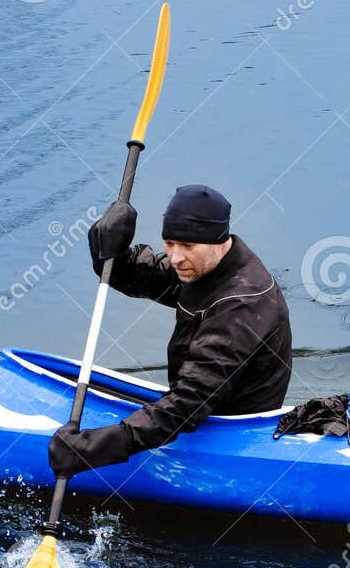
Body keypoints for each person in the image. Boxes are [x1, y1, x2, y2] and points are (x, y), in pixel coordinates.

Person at [48, 184, 292, 478]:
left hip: (229, 434)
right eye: (169, 243)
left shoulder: (242, 303)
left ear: (218, 240)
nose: (176, 257)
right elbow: (132, 275)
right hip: (201, 410)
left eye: (187, 247)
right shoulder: (204, 266)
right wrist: (106, 246)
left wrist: (94, 449)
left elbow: (188, 404)